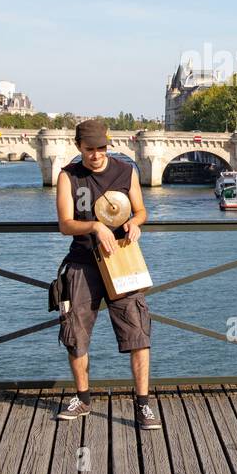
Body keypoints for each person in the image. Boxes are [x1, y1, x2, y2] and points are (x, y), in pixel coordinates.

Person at [53, 119, 161, 430]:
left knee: (137, 332)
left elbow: (141, 210)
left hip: (122, 261)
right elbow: (65, 224)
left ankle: (142, 405)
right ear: (78, 147)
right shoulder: (68, 177)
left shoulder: (126, 171)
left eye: (101, 149)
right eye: (90, 150)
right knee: (75, 334)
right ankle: (83, 398)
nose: (96, 155)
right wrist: (95, 226)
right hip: (83, 264)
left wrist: (136, 223)